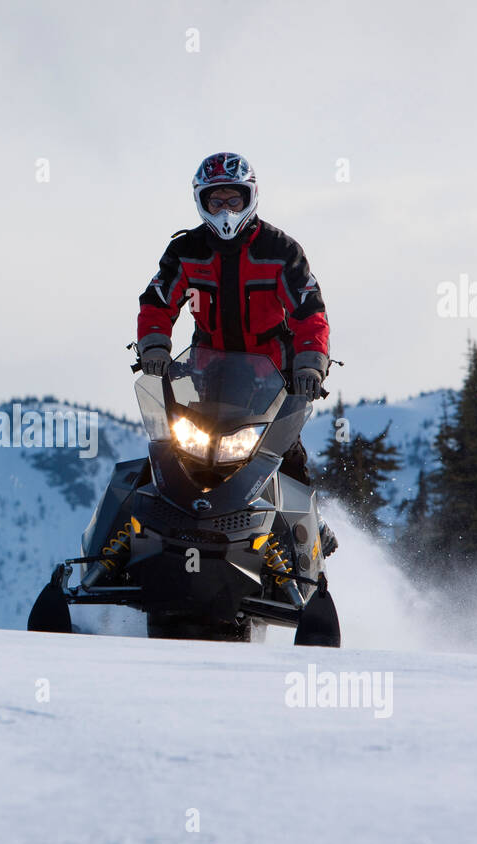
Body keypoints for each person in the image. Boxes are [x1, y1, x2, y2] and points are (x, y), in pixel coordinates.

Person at [136, 151, 336, 553]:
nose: (225, 209)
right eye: (216, 200)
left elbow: (309, 310)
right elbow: (157, 301)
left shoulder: (280, 250)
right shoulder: (185, 251)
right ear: (201, 202)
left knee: (286, 462)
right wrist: (154, 347)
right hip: (206, 381)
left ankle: (306, 551)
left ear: (251, 197)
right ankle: (120, 554)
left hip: (275, 385)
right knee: (164, 458)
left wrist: (311, 365)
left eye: (233, 199)